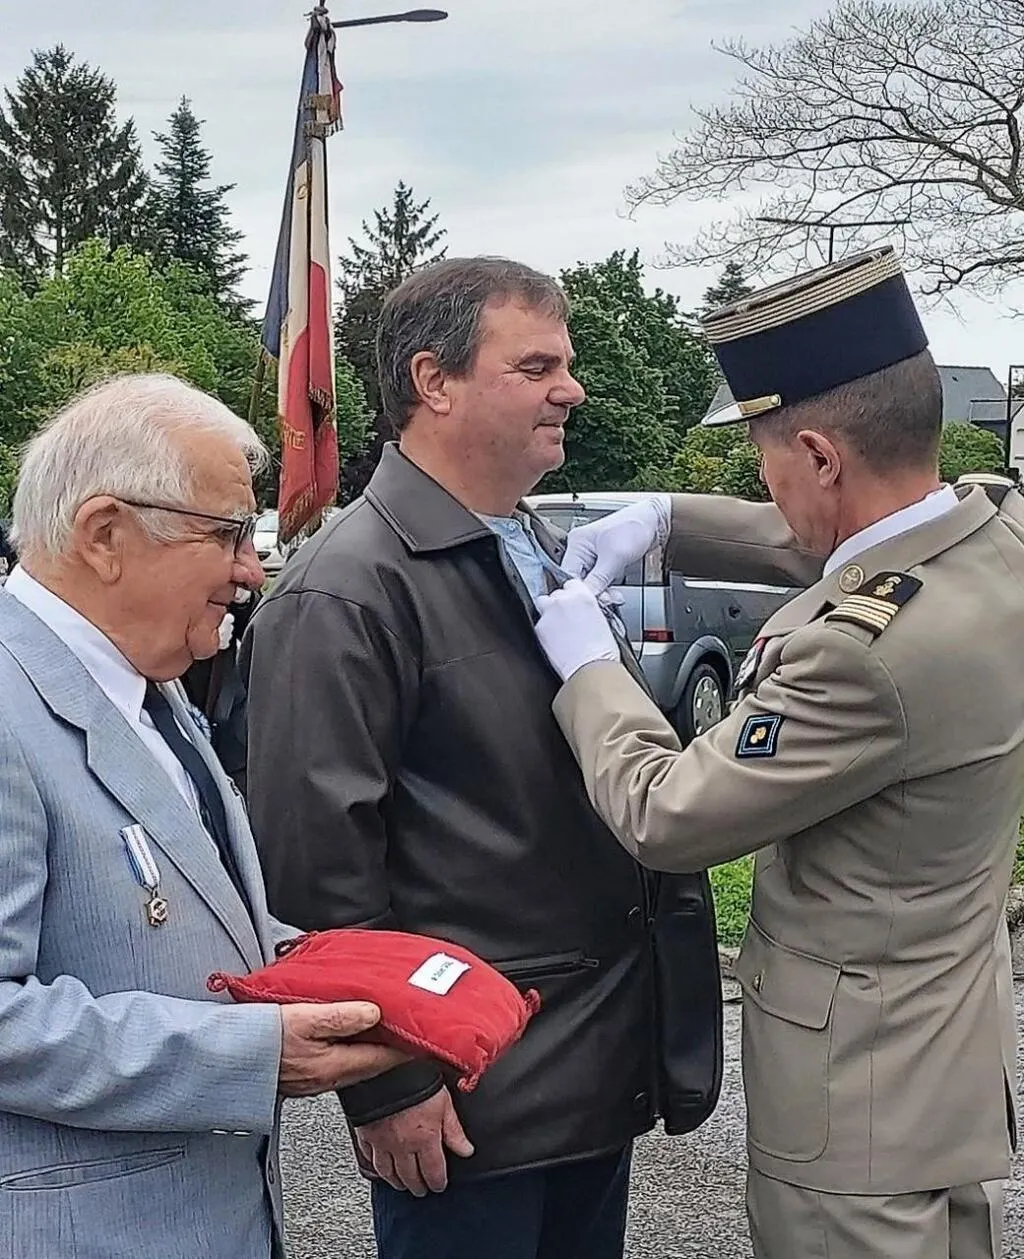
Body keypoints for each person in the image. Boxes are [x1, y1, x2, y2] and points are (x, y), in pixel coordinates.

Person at [531, 246, 1024, 1259]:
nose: (765, 477)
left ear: (820, 455)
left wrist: (590, 668)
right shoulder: (997, 535)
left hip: (855, 1119)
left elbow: (665, 813)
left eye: (767, 456)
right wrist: (668, 520)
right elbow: (864, 540)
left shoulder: (859, 658)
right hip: (937, 1081)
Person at [241, 257, 723, 1259]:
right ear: (434, 381)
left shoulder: (534, 547)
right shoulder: (346, 591)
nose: (571, 390)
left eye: (566, 364)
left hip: (588, 1069)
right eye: (536, 366)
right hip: (470, 1099)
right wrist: (391, 1082)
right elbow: (318, 868)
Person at [0, 373, 407, 1259]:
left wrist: (354, 974)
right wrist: (248, 1054)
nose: (252, 569)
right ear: (105, 534)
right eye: (227, 534)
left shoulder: (148, 687)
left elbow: (188, 915)